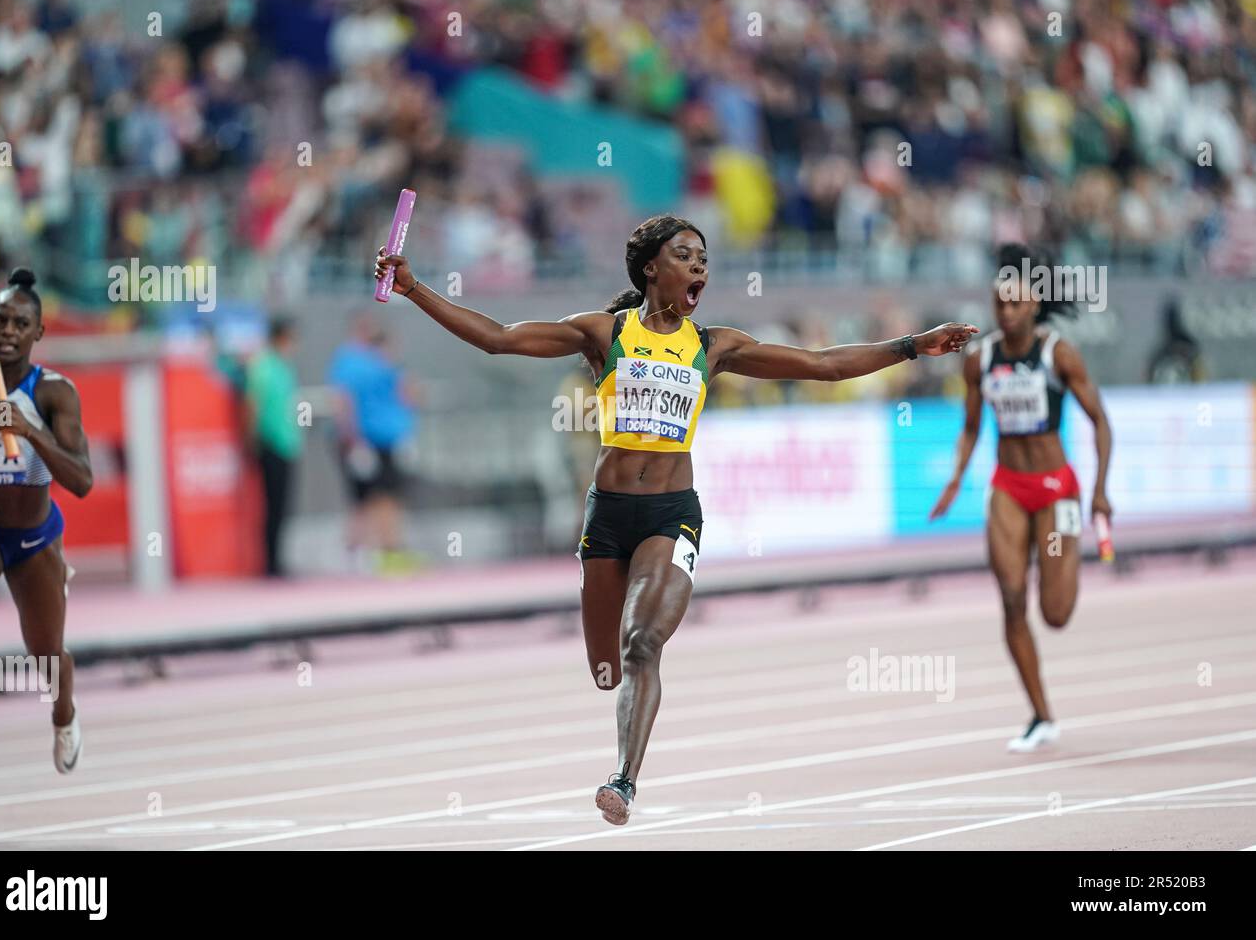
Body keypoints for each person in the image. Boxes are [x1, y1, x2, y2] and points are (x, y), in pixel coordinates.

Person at [375, 215, 976, 824]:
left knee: (642, 644)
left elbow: (823, 364)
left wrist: (910, 345)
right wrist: (414, 287)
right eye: (685, 256)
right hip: (607, 516)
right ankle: (623, 709)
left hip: (672, 515)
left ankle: (623, 780)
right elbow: (499, 337)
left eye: (704, 259)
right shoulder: (603, 333)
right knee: (608, 669)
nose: (699, 268)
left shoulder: (715, 346)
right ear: (649, 270)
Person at [931, 243, 1113, 752]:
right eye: (998, 303)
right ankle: (1040, 715)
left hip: (1056, 490)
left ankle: (1065, 552)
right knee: (1012, 599)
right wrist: (956, 476)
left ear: (1033, 303)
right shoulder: (980, 358)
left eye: (1015, 303)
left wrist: (1099, 492)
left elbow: (1100, 421)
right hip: (1009, 489)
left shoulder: (1058, 353)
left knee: (1054, 614)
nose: (1006, 312)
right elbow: (970, 427)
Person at [0, 267, 93, 773]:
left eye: (19, 323)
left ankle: (64, 715)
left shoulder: (55, 392)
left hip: (33, 536)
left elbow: (81, 480)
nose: (8, 331)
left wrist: (30, 432)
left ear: (39, 332)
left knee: (45, 653)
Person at [327, 310, 416, 572]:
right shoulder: (350, 361)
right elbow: (343, 402)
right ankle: (380, 551)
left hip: (385, 440)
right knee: (376, 499)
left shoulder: (382, 362)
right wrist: (354, 441)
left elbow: (405, 397)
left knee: (375, 499)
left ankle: (372, 552)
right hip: (365, 440)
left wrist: (407, 434)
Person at [245, 315, 302, 577]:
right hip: (270, 443)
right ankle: (271, 563)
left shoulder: (282, 366)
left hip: (287, 444)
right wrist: (252, 439)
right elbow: (253, 405)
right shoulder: (264, 367)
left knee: (282, 506)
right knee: (272, 505)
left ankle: (277, 559)